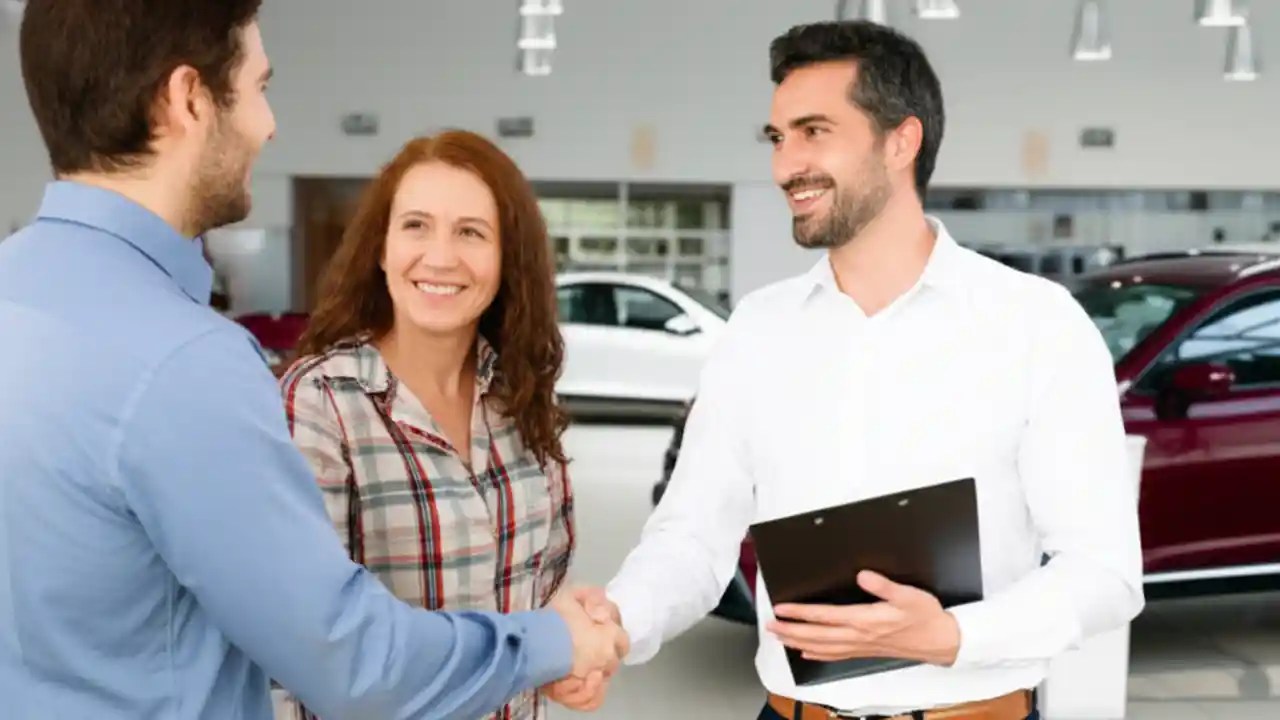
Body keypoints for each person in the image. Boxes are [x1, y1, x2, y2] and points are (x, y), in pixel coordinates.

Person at [0, 3, 625, 719]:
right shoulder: (190, 365)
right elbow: (346, 660)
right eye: (260, 87)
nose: (269, 125)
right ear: (189, 100)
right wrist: (549, 644)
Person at [566, 20, 1145, 719]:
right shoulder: (759, 329)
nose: (785, 166)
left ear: (901, 141)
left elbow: (1105, 572)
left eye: (815, 132)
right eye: (778, 138)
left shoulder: (1036, 325)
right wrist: (618, 622)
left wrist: (952, 636)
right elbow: (692, 536)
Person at [275, 131, 603, 720]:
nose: (441, 257)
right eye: (416, 226)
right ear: (380, 248)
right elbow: (312, 645)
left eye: (471, 232)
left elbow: (541, 590)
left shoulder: (518, 397)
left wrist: (567, 654)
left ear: (507, 260)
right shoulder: (323, 403)